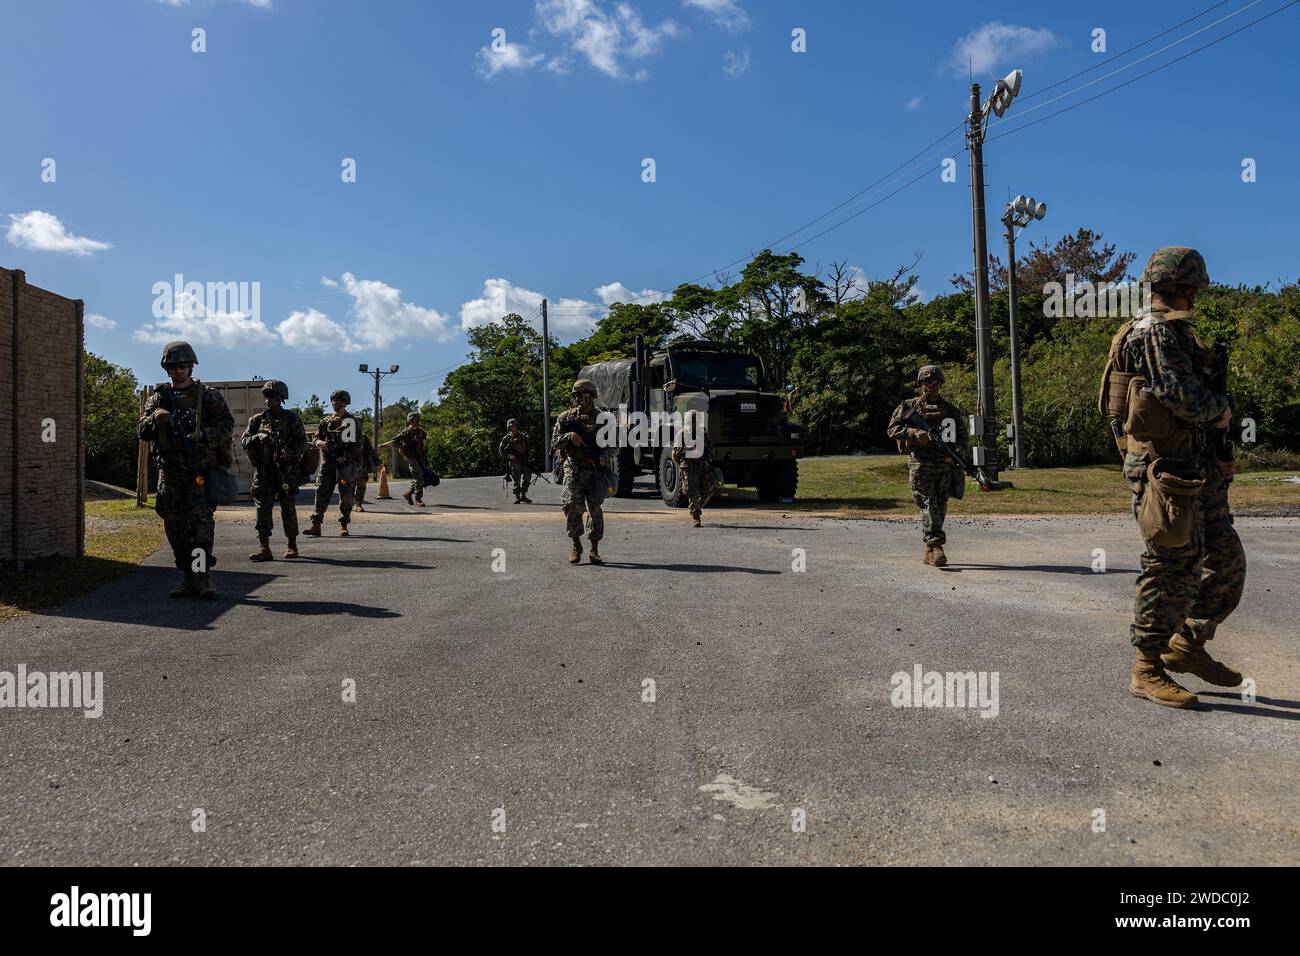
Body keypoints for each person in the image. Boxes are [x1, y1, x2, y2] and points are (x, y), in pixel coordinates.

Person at [1105, 246, 1244, 709]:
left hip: (1194, 466)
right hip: (1166, 471)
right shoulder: (1154, 333)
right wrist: (1221, 412)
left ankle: (1187, 645)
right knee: (1171, 566)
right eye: (1195, 289)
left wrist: (1218, 452)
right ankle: (1146, 668)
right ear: (1187, 287)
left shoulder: (1175, 333)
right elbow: (1180, 398)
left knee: (1226, 561)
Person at [138, 340, 235, 598]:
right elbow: (142, 432)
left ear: (191, 366)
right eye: (173, 366)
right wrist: (155, 419)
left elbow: (227, 425)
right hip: (170, 473)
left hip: (199, 470)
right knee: (175, 528)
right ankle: (188, 576)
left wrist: (203, 436)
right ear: (166, 368)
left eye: (182, 365)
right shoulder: (159, 398)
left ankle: (202, 579)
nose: (178, 370)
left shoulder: (208, 396)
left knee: (201, 529)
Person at [886, 366, 968, 566]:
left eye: (932, 383)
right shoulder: (908, 406)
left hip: (944, 465)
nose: (928, 386)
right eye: (924, 383)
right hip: (921, 464)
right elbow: (892, 429)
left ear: (940, 384)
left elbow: (963, 438)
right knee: (928, 504)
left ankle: (929, 549)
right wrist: (913, 434)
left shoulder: (951, 410)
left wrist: (957, 453)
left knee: (940, 507)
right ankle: (937, 546)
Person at [241, 379, 307, 560]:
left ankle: (292, 545)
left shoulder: (292, 418)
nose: (268, 399)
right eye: (266, 396)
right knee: (262, 508)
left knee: (288, 508)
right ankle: (264, 548)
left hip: (286, 470)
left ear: (281, 398)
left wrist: (288, 452)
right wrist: (258, 436)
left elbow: (303, 443)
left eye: (273, 396)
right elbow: (243, 441)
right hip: (264, 471)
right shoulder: (257, 420)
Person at [551, 379, 607, 564]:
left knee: (594, 508)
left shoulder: (602, 419)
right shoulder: (565, 418)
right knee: (571, 503)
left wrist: (603, 457)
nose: (580, 400)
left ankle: (594, 549)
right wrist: (568, 436)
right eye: (577, 396)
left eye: (585, 396)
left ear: (592, 397)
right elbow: (554, 443)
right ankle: (576, 544)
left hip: (595, 468)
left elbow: (614, 445)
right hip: (573, 467)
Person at [305, 389, 361, 537]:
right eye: (333, 400)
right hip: (328, 463)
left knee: (346, 496)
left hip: (345, 464)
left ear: (344, 402)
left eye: (337, 400)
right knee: (321, 493)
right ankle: (316, 525)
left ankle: (344, 525)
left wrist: (346, 456)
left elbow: (358, 444)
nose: (334, 403)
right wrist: (320, 443)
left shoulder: (352, 422)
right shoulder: (326, 421)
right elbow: (316, 438)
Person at [671, 410, 717, 527]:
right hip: (689, 467)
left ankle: (698, 505)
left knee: (709, 489)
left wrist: (709, 460)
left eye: (696, 421)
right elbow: (675, 453)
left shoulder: (703, 434)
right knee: (692, 492)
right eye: (692, 421)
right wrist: (683, 464)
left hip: (702, 466)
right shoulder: (681, 434)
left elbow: (710, 450)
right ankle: (696, 516)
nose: (694, 423)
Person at [380, 411, 430, 507]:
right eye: (415, 419)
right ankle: (418, 499)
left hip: (421, 458)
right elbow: (394, 441)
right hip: (412, 458)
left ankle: (408, 494)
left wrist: (425, 457)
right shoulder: (406, 432)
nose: (417, 421)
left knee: (421, 478)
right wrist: (383, 445)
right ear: (410, 420)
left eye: (418, 419)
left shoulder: (422, 432)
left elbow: (424, 445)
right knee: (419, 477)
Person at [499, 418, 533, 504]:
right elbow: (501, 450)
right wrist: (509, 456)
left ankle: (523, 495)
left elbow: (530, 448)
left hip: (524, 460)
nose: (513, 428)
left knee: (527, 478)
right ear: (509, 428)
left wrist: (530, 456)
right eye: (511, 426)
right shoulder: (507, 438)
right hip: (515, 462)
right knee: (516, 479)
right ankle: (517, 496)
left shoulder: (523, 436)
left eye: (514, 426)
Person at [353, 432, 381, 513]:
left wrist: (377, 462)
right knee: (348, 486)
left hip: (362, 465)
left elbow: (370, 450)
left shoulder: (363, 437)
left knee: (361, 485)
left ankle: (358, 504)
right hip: (349, 465)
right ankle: (353, 501)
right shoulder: (345, 435)